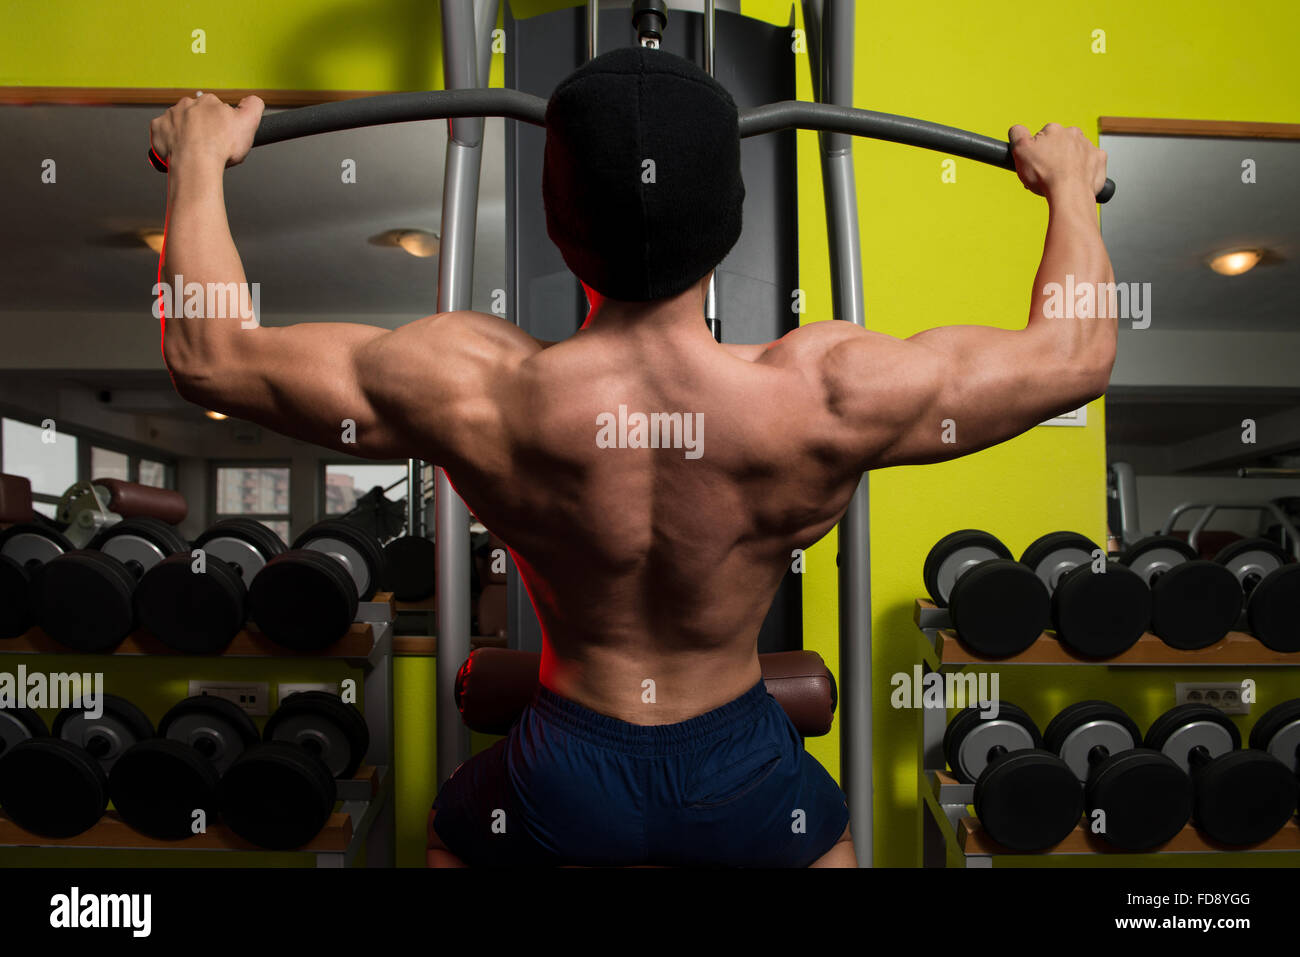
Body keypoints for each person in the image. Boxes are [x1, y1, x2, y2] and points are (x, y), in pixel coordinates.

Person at [149, 46, 1114, 868]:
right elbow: (1076, 355)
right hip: (744, 767)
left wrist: (200, 166)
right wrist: (1070, 190)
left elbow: (210, 354)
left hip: (563, 768)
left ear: (562, 226)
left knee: (449, 830)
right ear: (727, 221)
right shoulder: (828, 389)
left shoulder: (472, 384)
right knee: (825, 836)